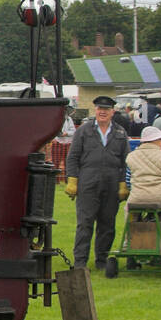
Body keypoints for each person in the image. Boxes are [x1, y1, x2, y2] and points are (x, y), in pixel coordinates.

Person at [64, 95, 129, 268]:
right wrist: (72, 180)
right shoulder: (83, 131)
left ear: (112, 112)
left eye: (106, 110)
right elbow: (72, 158)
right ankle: (80, 262)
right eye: (100, 109)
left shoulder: (120, 132)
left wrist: (123, 183)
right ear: (95, 110)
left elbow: (126, 161)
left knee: (107, 224)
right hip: (88, 183)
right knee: (85, 224)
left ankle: (102, 260)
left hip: (112, 183)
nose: (102, 112)